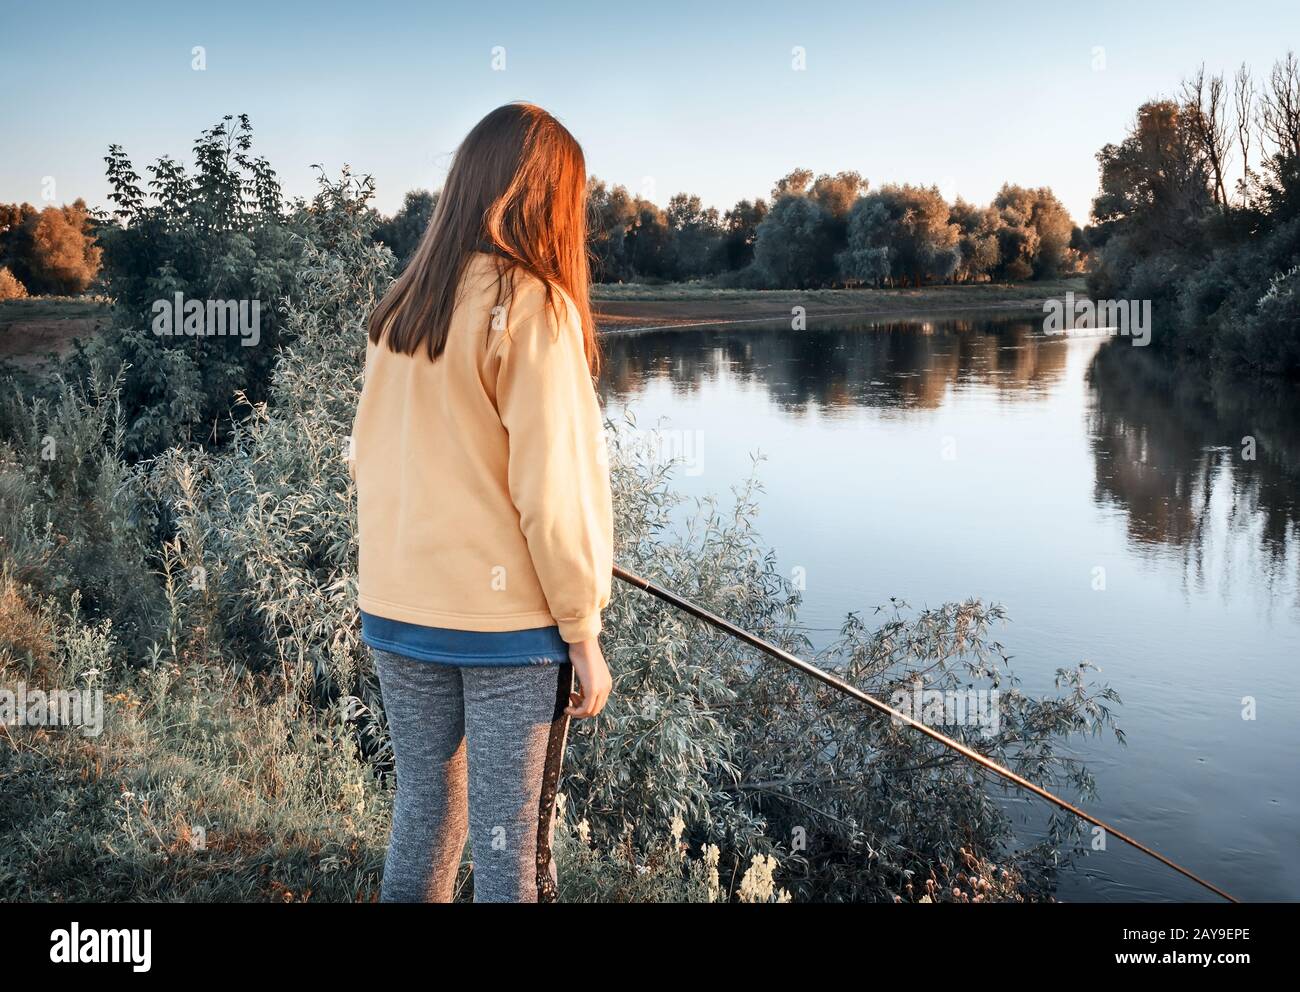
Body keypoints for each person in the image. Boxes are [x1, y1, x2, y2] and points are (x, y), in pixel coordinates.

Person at [350, 102, 613, 903]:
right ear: (545, 197)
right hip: (506, 631)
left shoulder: (402, 308)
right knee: (511, 854)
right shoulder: (534, 305)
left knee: (427, 815)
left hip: (400, 612)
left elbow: (368, 462)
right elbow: (552, 491)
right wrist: (583, 630)